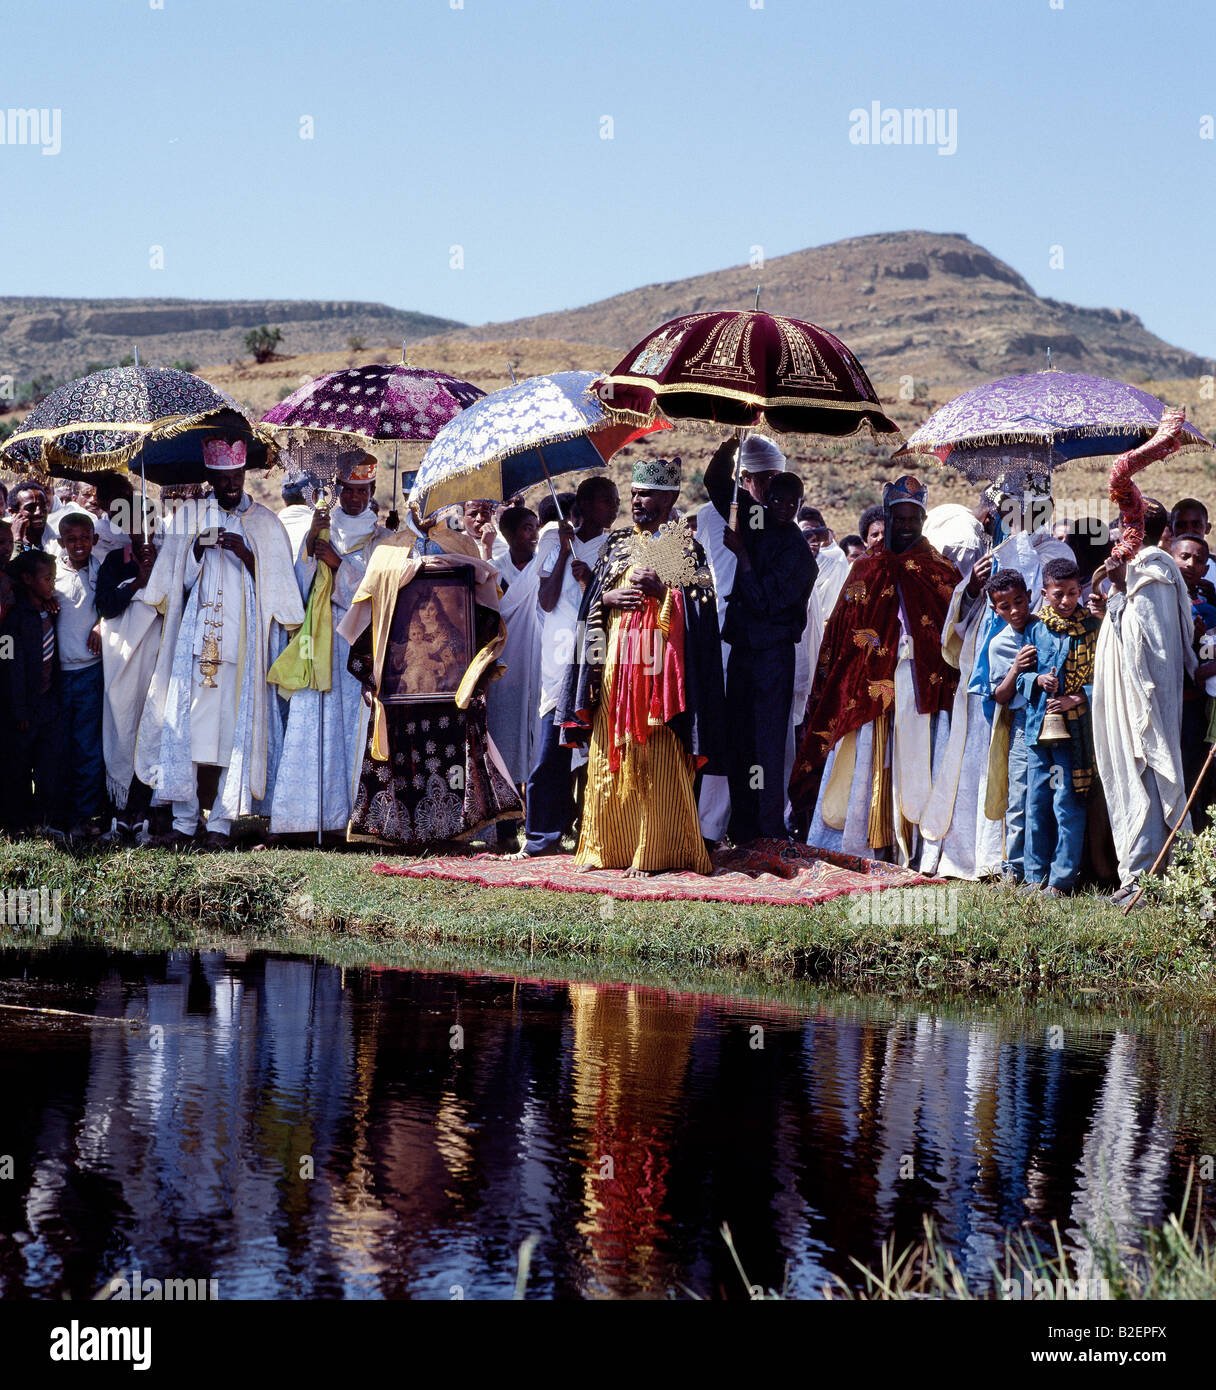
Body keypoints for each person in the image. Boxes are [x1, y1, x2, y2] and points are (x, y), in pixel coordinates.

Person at [557, 457, 726, 876]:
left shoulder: (686, 548)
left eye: (646, 493)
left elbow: (705, 614)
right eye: (633, 492)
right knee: (608, 751)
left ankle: (656, 851)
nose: (636, 500)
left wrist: (666, 592)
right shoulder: (615, 545)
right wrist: (605, 600)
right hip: (615, 666)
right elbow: (591, 603)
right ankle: (602, 848)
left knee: (657, 758)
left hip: (662, 678)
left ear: (670, 498)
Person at [135, 438, 304, 849]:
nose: (230, 483)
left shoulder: (265, 522)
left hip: (243, 649)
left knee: (235, 733)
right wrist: (194, 550)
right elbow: (172, 586)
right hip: (195, 644)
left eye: (235, 476)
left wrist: (248, 556)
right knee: (185, 729)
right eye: (222, 477)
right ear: (209, 477)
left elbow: (285, 596)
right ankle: (184, 820)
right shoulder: (189, 517)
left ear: (244, 474)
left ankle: (222, 824)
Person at [791, 475, 960, 865]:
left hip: (919, 686)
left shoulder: (937, 568)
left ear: (922, 520)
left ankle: (917, 846)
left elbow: (951, 627)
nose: (904, 527)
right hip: (868, 686)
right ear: (887, 516)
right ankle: (865, 841)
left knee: (917, 764)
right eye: (897, 519)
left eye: (911, 520)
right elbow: (843, 631)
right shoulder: (865, 567)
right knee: (865, 762)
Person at [339, 537, 523, 848]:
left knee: (455, 763)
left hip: (452, 696)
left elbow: (481, 607)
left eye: (433, 607)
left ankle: (463, 832)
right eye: (422, 608)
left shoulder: (461, 545)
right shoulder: (390, 549)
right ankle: (403, 833)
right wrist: (371, 676)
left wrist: (477, 673)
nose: (428, 614)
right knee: (405, 760)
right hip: (402, 698)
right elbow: (374, 611)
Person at [270, 451, 387, 839]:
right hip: (319, 636)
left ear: (371, 491)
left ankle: (356, 815)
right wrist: (309, 543)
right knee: (316, 717)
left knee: (356, 722)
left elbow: (378, 592)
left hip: (359, 641)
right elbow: (299, 586)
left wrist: (340, 564)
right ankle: (310, 817)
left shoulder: (381, 538)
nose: (354, 499)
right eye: (348, 491)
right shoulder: (324, 526)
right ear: (337, 489)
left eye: (362, 492)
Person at [704, 439, 816, 844]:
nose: (785, 508)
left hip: (773, 654)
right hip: (744, 650)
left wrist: (744, 558)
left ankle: (768, 828)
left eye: (793, 502)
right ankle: (742, 823)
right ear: (765, 498)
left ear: (800, 506)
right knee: (739, 737)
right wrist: (731, 443)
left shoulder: (800, 554)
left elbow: (770, 602)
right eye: (778, 499)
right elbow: (717, 484)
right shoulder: (756, 521)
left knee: (768, 741)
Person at [1091, 497, 1195, 902]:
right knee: (1134, 777)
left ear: (1132, 528)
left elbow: (1145, 647)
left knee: (1148, 778)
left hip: (1145, 704)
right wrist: (1116, 595)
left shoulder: (1154, 572)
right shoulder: (1141, 572)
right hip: (1130, 697)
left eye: (1122, 524)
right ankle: (1135, 875)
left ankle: (1144, 880)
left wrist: (1117, 589)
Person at [520, 476, 620, 857]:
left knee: (595, 746)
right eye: (607, 501)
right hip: (560, 653)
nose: (614, 507)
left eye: (614, 500)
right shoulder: (552, 540)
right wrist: (563, 553)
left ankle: (592, 830)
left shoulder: (614, 547)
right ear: (586, 504)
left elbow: (611, 600)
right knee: (552, 746)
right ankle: (542, 834)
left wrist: (590, 580)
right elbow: (546, 600)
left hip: (596, 651)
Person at [995, 557, 1099, 896]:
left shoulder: (1093, 629)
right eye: (1059, 595)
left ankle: (1061, 879)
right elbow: (1022, 675)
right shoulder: (1036, 628)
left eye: (1073, 593)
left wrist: (1077, 699)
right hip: (1040, 733)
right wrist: (1036, 679)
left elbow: (1106, 677)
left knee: (1066, 803)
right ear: (1044, 593)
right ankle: (1034, 875)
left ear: (1081, 591)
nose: (1067, 602)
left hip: (1076, 733)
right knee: (1036, 802)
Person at [95, 522, 161, 838]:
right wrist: (138, 583)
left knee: (152, 725)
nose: (144, 531)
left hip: (156, 651)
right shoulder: (114, 561)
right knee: (122, 723)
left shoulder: (166, 556)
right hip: (121, 653)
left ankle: (144, 809)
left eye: (150, 523)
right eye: (137, 525)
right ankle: (119, 810)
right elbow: (106, 605)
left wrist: (156, 576)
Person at [1, 549, 65, 834]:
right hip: (25, 706)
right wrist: (20, 708)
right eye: (46, 579)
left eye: (54, 578)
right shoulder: (14, 619)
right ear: (27, 579)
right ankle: (17, 823)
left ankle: (43, 820)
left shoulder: (50, 609)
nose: (52, 584)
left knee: (48, 765)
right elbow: (11, 668)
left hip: (48, 703)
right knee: (19, 766)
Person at [53, 512, 107, 836]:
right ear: (61, 542)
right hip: (58, 675)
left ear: (94, 540)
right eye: (71, 539)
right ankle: (59, 815)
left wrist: (102, 623)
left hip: (89, 671)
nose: (79, 545)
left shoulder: (100, 571)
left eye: (84, 538)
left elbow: (108, 607)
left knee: (87, 744)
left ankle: (87, 815)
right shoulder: (52, 573)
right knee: (59, 747)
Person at [489, 505, 543, 795]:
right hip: (504, 661)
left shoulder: (544, 566)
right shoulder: (494, 571)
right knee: (504, 727)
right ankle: (506, 805)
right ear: (507, 534)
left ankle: (533, 805)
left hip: (535, 655)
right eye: (526, 527)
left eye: (535, 527)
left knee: (534, 725)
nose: (534, 534)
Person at [1168, 533, 1216, 832]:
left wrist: (1199, 640)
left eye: (1199, 560)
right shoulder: (1155, 599)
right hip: (1160, 704)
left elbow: (1208, 659)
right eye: (1184, 556)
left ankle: (1193, 840)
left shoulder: (1208, 611)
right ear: (1169, 557)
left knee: (1193, 774)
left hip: (1192, 707)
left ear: (1206, 569)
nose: (1190, 563)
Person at [1170, 497, 1216, 586]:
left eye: (1196, 525)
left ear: (1207, 528)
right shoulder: (1160, 566)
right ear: (1171, 530)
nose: (1189, 530)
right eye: (1181, 525)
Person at [10, 481, 50, 552]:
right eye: (30, 508)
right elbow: (13, 562)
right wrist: (17, 540)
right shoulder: (4, 542)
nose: (39, 512)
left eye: (43, 506)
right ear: (13, 513)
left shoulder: (56, 540)